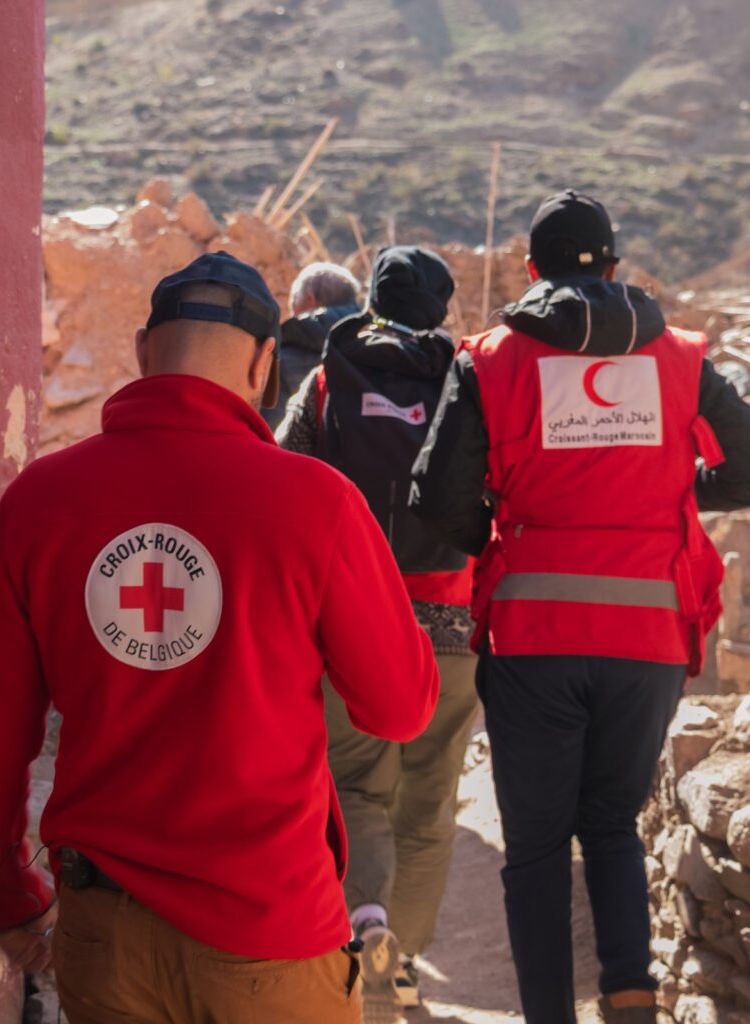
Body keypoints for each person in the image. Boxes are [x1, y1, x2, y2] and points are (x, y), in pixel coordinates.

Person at [0, 252, 440, 1024]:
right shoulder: (319, 505)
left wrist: (9, 897)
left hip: (102, 938)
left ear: (145, 354)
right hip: (272, 937)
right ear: (265, 366)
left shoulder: (38, 501)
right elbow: (400, 710)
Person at [410, 192, 750, 1024]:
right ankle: (630, 996)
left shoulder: (492, 358)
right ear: (615, 268)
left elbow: (433, 496)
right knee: (613, 825)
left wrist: (510, 532)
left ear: (532, 271)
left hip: (534, 635)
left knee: (538, 848)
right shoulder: (680, 358)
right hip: (647, 635)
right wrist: (673, 495)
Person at [277, 246, 478, 1023]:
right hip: (450, 625)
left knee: (358, 786)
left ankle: (367, 926)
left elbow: (282, 474)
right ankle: (407, 964)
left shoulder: (327, 379)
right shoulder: (467, 380)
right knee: (429, 796)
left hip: (350, 620)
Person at [265, 261, 364, 429]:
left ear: (310, 299)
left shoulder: (280, 363)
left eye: (293, 303)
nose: (291, 314)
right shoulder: (376, 349)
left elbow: (269, 434)